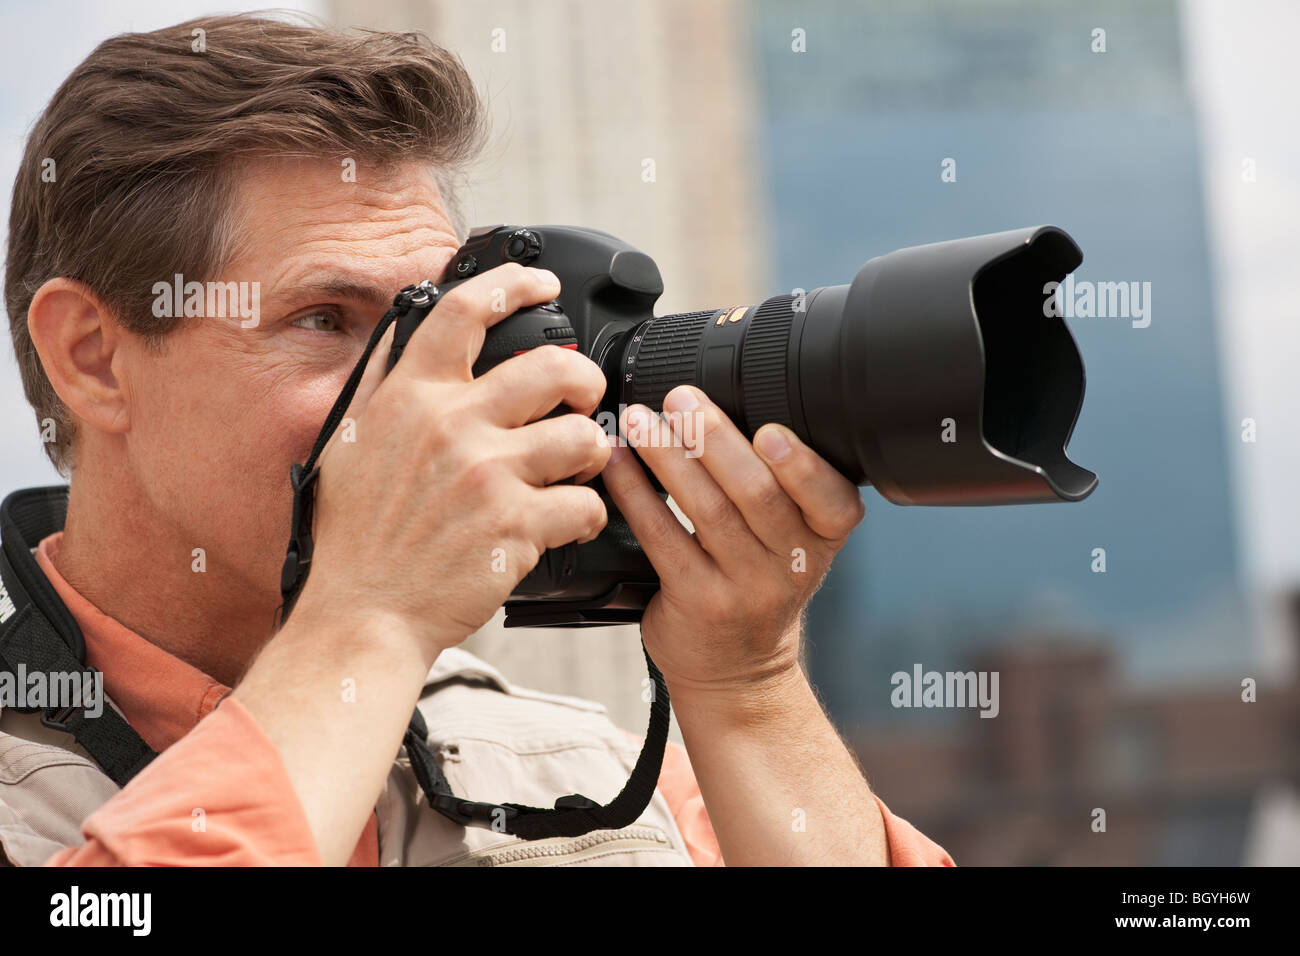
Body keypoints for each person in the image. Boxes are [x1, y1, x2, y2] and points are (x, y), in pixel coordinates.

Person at [0, 14, 953, 867]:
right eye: (326, 320)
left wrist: (747, 685)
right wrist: (370, 615)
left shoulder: (591, 774)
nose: (425, 397)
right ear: (92, 358)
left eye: (429, 323)